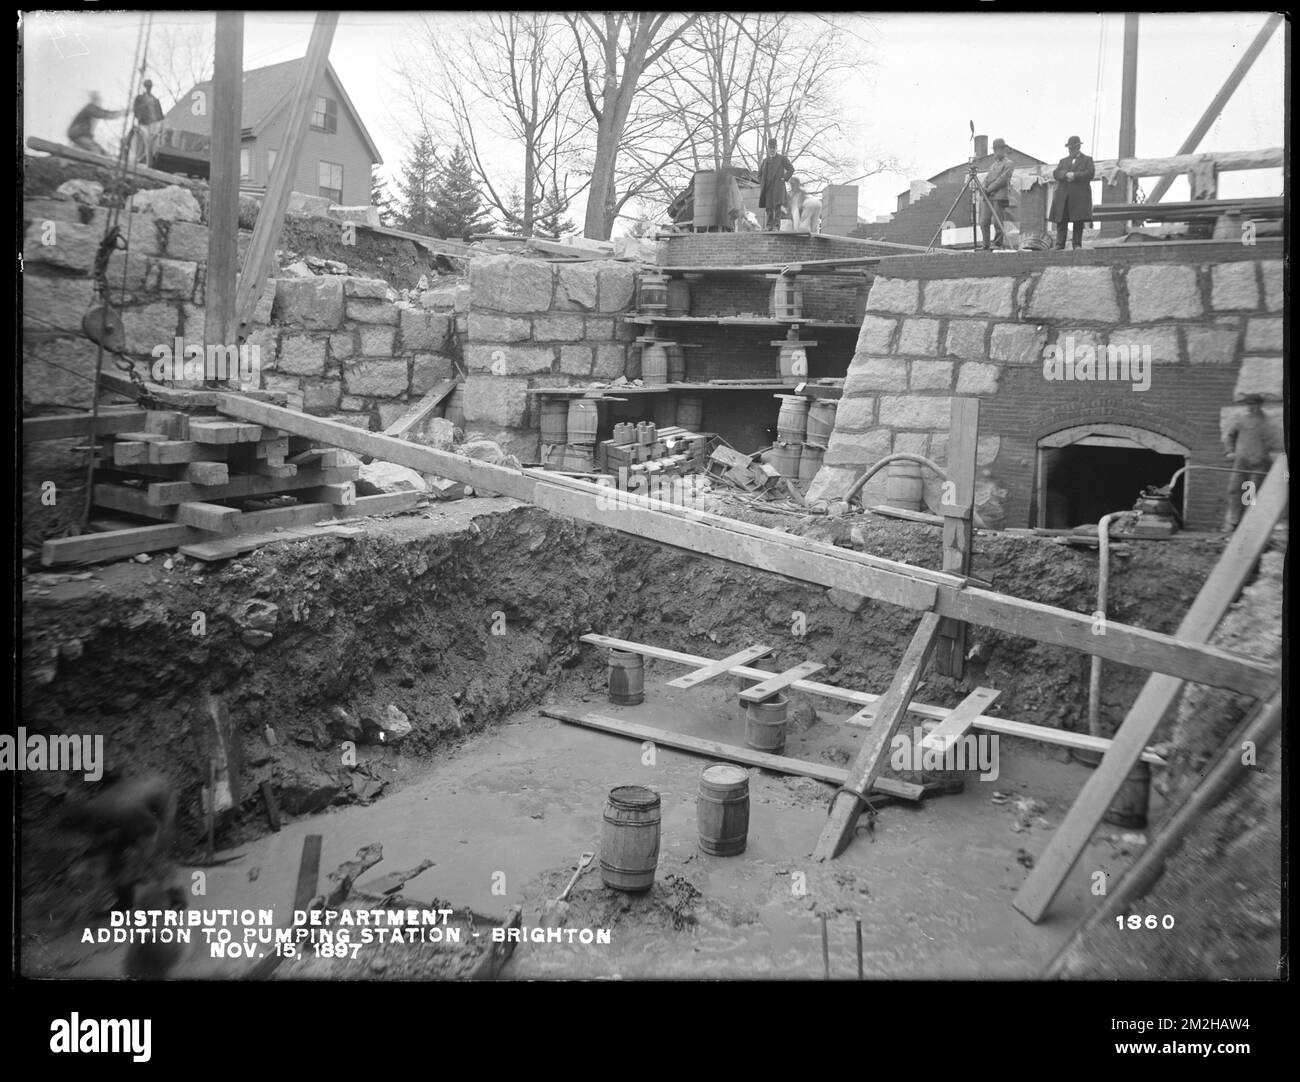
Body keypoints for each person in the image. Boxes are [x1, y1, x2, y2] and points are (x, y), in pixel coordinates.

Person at [1222, 394, 1281, 530]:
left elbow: (1275, 443)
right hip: (1241, 462)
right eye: (1249, 405)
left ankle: (1247, 524)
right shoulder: (1241, 420)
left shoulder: (1268, 423)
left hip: (1259, 464)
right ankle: (1234, 521)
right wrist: (1229, 451)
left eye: (1254, 404)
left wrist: (1265, 455)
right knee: (1234, 489)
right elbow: (1230, 436)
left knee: (1251, 493)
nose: (1251, 407)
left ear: (1260, 405)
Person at [1049, 135, 1094, 250]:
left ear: (1078, 147)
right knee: (1062, 220)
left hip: (1079, 196)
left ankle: (1077, 244)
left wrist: (1075, 175)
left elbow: (1090, 173)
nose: (1071, 150)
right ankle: (1059, 244)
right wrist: (1065, 175)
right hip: (1064, 196)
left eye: (1073, 148)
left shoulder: (1087, 160)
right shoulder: (1063, 161)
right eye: (1069, 148)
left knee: (1078, 220)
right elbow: (1056, 173)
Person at [980, 138, 1015, 249]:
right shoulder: (993, 165)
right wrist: (983, 187)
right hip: (988, 196)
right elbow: (987, 178)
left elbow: (1003, 179)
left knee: (997, 221)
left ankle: (997, 243)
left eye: (998, 149)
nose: (996, 152)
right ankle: (985, 244)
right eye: (995, 150)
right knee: (984, 221)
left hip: (999, 196)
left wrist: (989, 189)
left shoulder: (1009, 164)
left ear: (1004, 150)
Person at [67, 91, 124, 156]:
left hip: (79, 134)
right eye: (99, 101)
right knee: (95, 149)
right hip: (78, 134)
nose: (100, 104)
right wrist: (121, 113)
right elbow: (104, 114)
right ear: (95, 100)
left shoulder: (91, 109)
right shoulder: (90, 108)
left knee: (100, 151)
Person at [757, 137, 794, 230]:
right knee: (769, 208)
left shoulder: (782, 159)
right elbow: (759, 174)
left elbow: (791, 169)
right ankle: (769, 226)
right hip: (768, 188)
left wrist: (784, 178)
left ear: (776, 148)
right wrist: (762, 183)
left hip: (778, 187)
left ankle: (776, 227)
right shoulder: (765, 161)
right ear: (768, 148)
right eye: (770, 148)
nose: (772, 150)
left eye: (774, 147)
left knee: (777, 207)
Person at [131, 78, 165, 165]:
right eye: (147, 86)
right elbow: (135, 110)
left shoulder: (156, 101)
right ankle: (137, 161)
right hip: (144, 124)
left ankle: (148, 164)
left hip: (154, 126)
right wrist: (140, 117)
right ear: (144, 86)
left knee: (151, 146)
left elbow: (160, 116)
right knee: (141, 143)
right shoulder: (140, 98)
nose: (148, 88)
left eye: (150, 86)